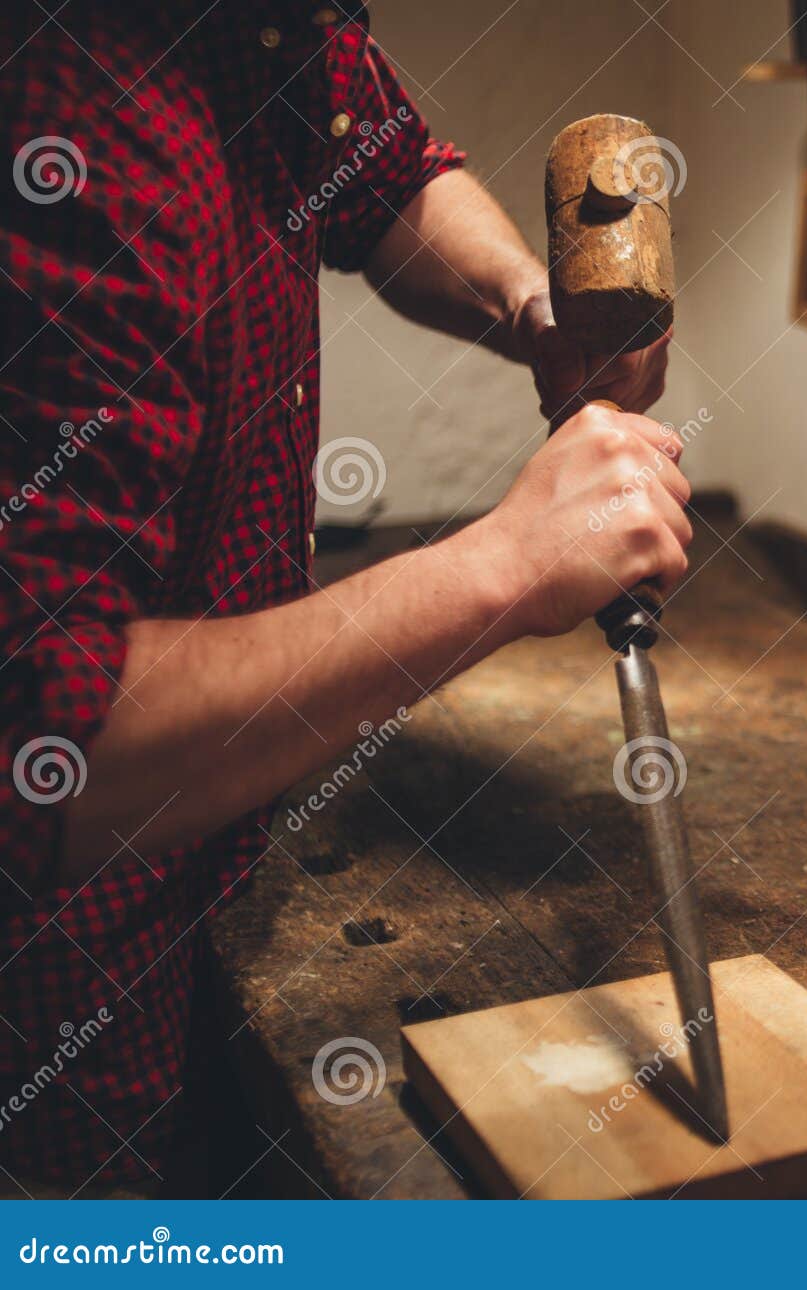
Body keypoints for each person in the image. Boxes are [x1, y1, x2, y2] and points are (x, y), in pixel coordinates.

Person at [0, 2, 689, 1190]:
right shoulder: (70, 111)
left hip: (205, 851)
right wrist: (510, 564)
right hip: (53, 978)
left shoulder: (277, 27)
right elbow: (50, 745)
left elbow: (378, 177)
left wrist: (533, 307)